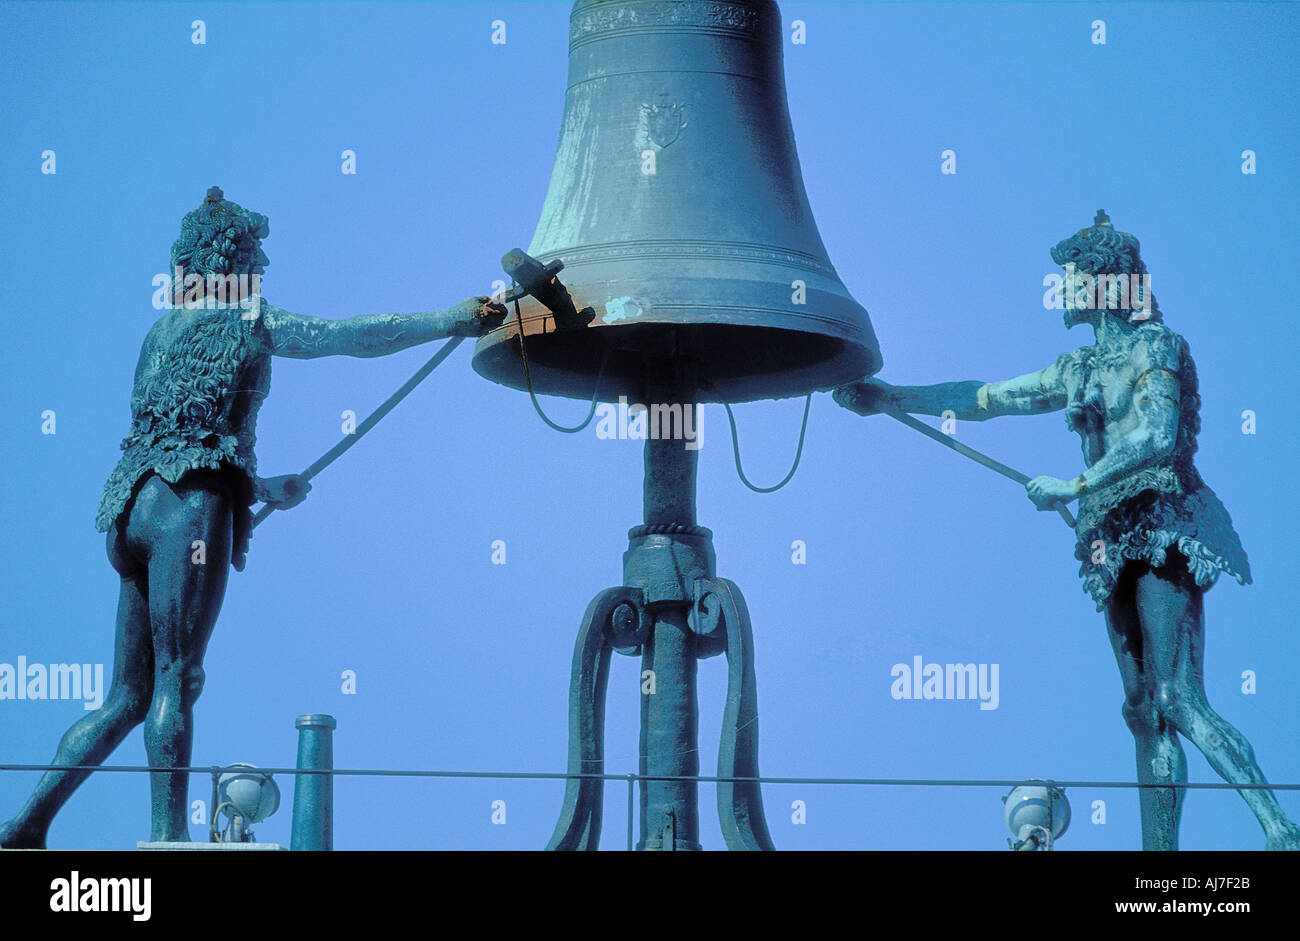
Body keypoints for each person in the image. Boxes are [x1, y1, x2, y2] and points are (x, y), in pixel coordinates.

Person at [0, 187, 503, 847]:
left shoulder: (159, 331)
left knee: (124, 695)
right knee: (178, 678)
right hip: (189, 507)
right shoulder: (251, 320)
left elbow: (172, 429)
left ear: (187, 267)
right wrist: (449, 318)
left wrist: (260, 485)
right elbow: (353, 337)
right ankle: (168, 835)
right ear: (239, 264)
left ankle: (27, 823)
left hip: (130, 510)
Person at [834, 211, 1300, 850]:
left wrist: (1075, 485)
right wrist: (895, 399)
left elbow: (1158, 438)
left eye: (1073, 277)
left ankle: (1279, 829)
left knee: (1179, 696)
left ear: (1108, 282)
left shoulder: (1154, 346)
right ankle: (1160, 866)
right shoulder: (1079, 367)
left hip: (1162, 525)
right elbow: (987, 398)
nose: (1063, 290)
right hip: (1110, 542)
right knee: (1141, 711)